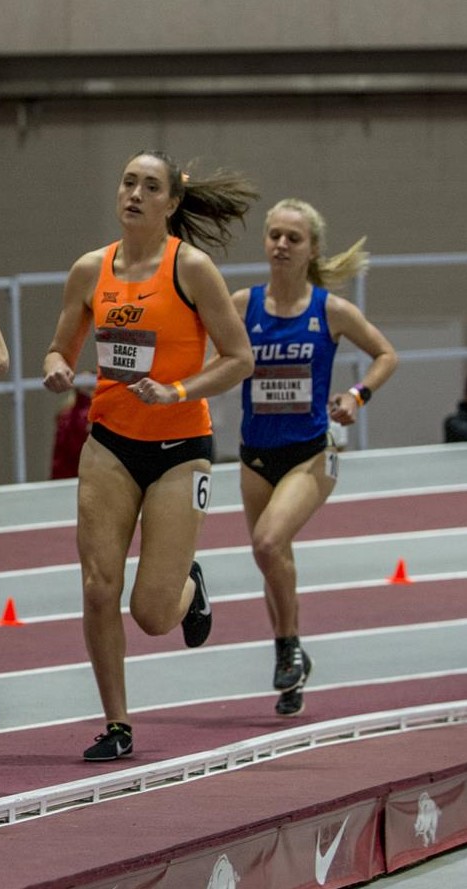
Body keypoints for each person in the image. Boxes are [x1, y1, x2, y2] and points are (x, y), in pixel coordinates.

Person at [42, 150, 257, 762]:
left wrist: (179, 389)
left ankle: (188, 582)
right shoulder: (90, 270)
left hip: (179, 449)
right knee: (97, 585)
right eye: (128, 181)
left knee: (154, 614)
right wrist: (59, 371)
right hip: (109, 442)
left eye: (150, 185)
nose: (135, 193)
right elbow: (59, 349)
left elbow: (239, 358)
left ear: (171, 203)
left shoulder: (191, 269)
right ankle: (117, 723)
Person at [232, 199, 397, 717]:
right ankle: (293, 662)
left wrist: (356, 396)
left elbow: (386, 354)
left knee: (267, 540)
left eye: (292, 238)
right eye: (274, 235)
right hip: (254, 455)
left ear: (312, 250)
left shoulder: (329, 311)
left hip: (310, 454)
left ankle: (286, 648)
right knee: (270, 558)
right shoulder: (242, 305)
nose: (281, 245)